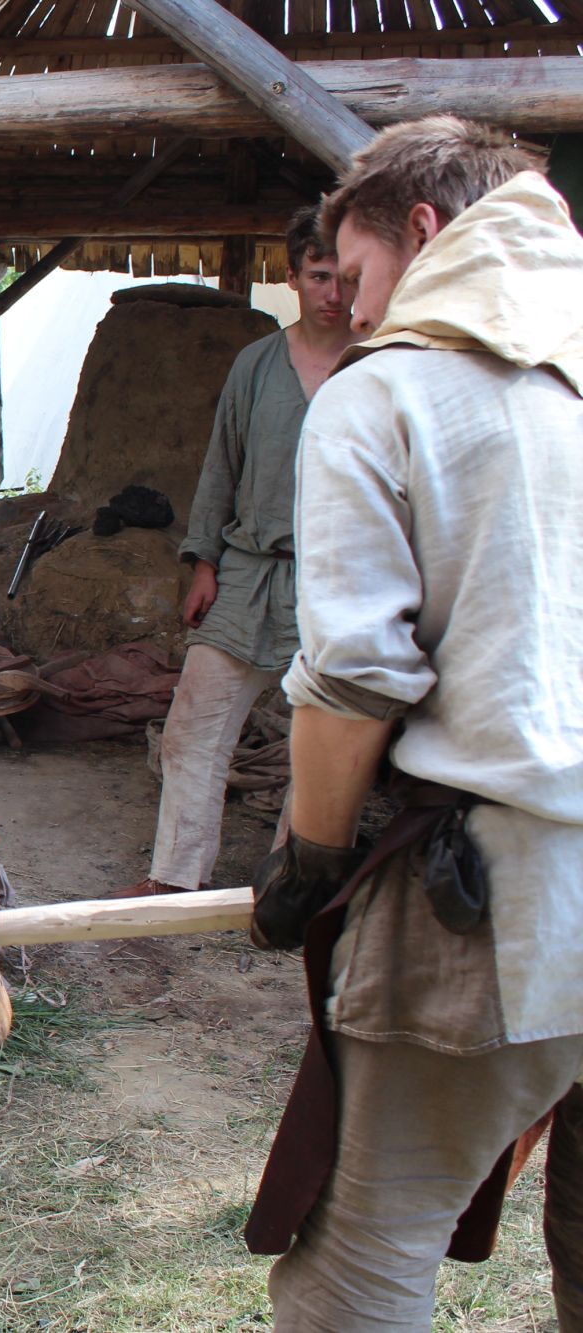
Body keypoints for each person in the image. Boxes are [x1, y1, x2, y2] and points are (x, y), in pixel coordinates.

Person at [239, 117, 583, 1329]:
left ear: (424, 233)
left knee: (351, 1272)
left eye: (361, 273)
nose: (357, 307)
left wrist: (310, 858)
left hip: (510, 896)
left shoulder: (381, 392)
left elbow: (349, 678)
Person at [114, 207, 358, 899]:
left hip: (336, 578)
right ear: (294, 276)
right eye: (318, 277)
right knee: (194, 724)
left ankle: (293, 884)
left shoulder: (377, 364)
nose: (333, 294)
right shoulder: (257, 365)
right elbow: (221, 469)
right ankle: (176, 876)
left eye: (344, 278)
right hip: (249, 569)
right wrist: (204, 564)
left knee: (326, 740)